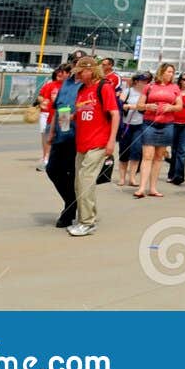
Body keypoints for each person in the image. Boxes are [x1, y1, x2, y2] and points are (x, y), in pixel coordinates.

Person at [67, 57, 119, 238]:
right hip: (82, 142)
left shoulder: (103, 87)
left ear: (91, 70)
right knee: (79, 182)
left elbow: (115, 114)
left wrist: (111, 140)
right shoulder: (82, 89)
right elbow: (82, 111)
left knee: (85, 180)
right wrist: (70, 117)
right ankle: (88, 217)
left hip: (98, 142)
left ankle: (87, 222)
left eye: (81, 72)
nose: (79, 75)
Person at [44, 63, 84, 227]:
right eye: (73, 64)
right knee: (52, 169)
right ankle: (71, 202)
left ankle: (69, 210)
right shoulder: (66, 84)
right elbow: (59, 108)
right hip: (63, 129)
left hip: (79, 135)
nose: (75, 68)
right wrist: (52, 131)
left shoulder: (89, 85)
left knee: (72, 173)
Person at [135, 63, 182, 198]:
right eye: (169, 71)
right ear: (161, 72)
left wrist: (170, 108)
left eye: (172, 72)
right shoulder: (149, 87)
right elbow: (139, 105)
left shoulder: (175, 88)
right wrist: (147, 105)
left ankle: (153, 188)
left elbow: (179, 106)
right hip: (150, 123)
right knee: (147, 156)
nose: (171, 74)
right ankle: (142, 187)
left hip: (167, 124)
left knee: (158, 157)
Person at [117, 71, 149, 187]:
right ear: (136, 82)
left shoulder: (146, 93)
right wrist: (130, 106)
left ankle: (132, 178)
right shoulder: (128, 92)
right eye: (143, 81)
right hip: (127, 125)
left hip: (140, 125)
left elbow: (147, 107)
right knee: (124, 151)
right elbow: (120, 105)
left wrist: (137, 107)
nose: (145, 83)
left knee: (136, 152)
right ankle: (122, 178)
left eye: (146, 81)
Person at [37, 64, 69, 171]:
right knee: (48, 137)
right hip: (53, 114)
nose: (60, 74)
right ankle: (47, 159)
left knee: (64, 137)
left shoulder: (71, 86)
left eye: (63, 72)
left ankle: (61, 160)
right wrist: (43, 102)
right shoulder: (51, 85)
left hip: (65, 113)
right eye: (59, 72)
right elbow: (43, 98)